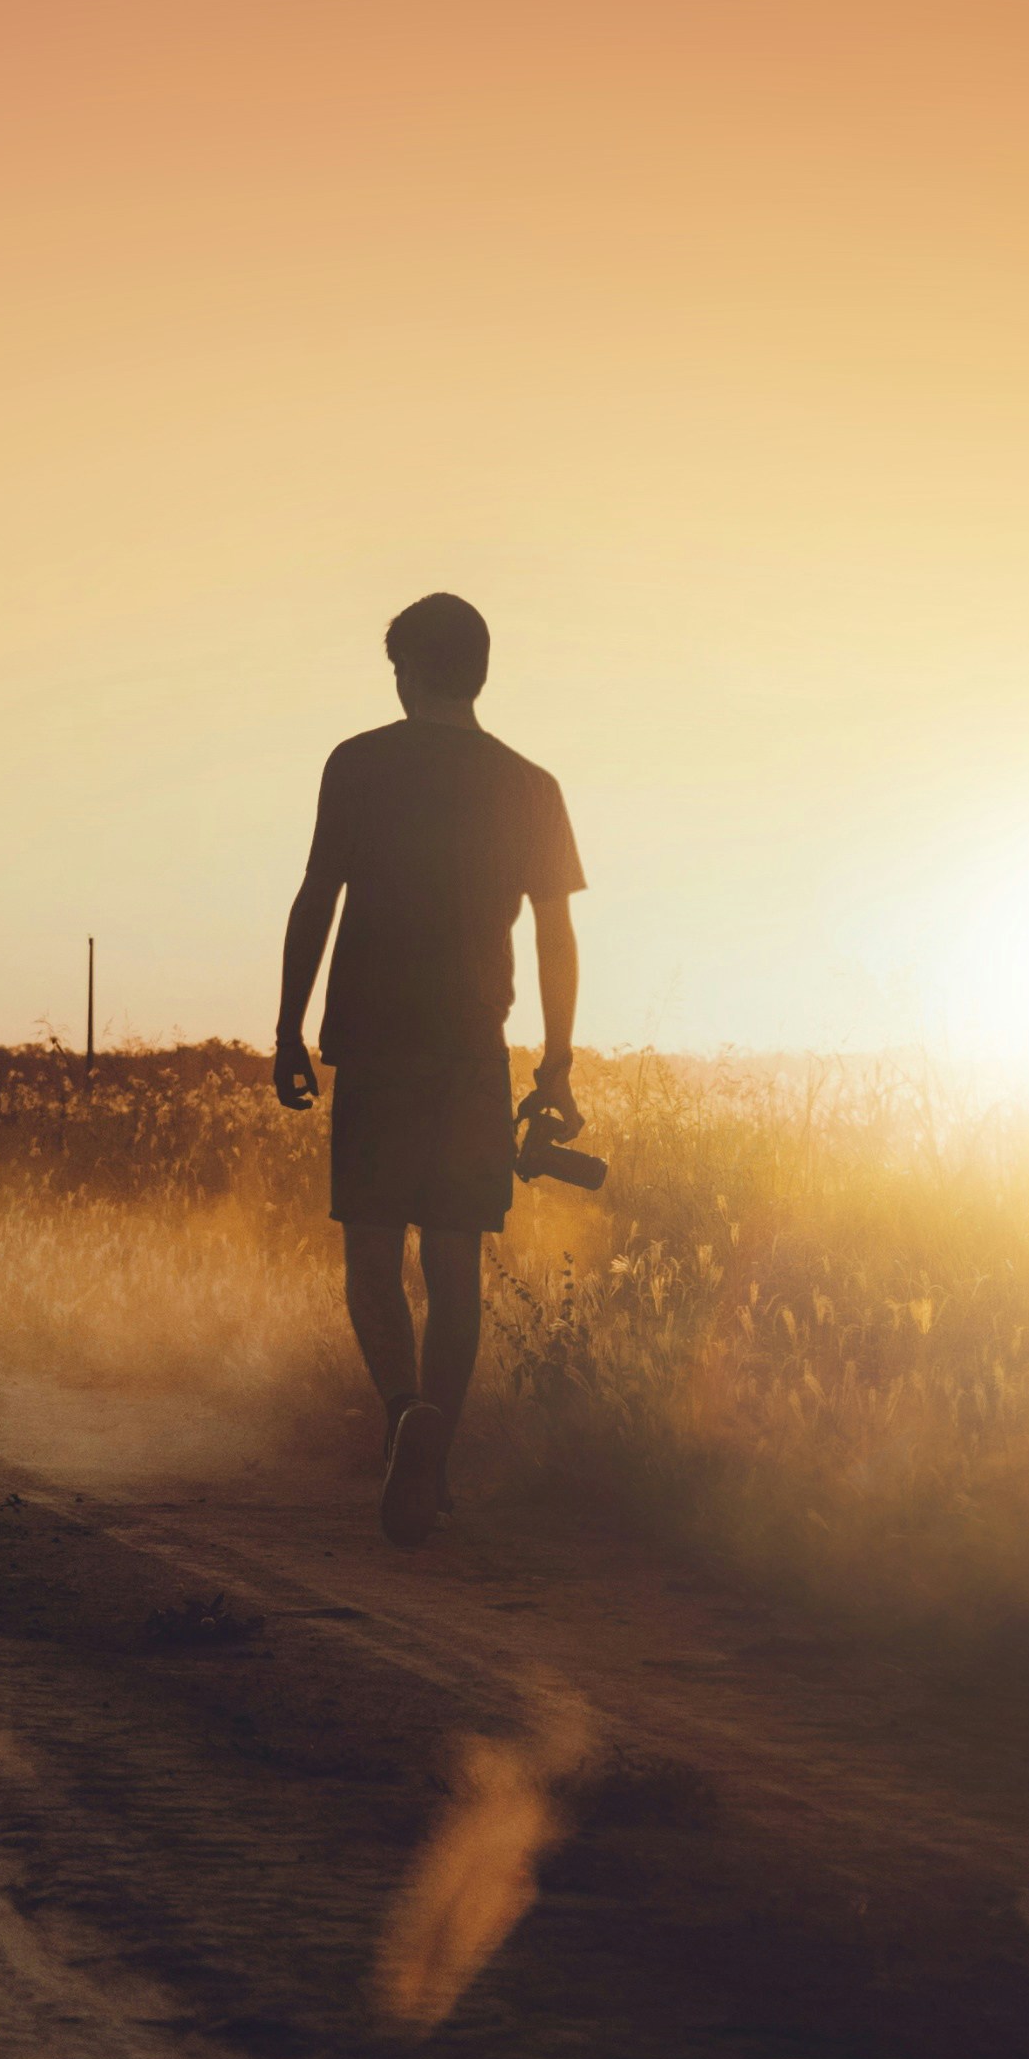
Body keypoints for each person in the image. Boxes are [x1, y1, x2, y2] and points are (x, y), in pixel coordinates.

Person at [275, 594, 585, 1544]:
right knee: (455, 1264)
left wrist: (287, 1029)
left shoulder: (358, 763)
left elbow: (316, 897)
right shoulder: (530, 785)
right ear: (479, 672)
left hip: (373, 1042)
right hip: (470, 1049)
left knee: (371, 1253)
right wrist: (557, 1061)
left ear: (407, 671)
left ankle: (403, 1409)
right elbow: (555, 935)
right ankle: (434, 1457)